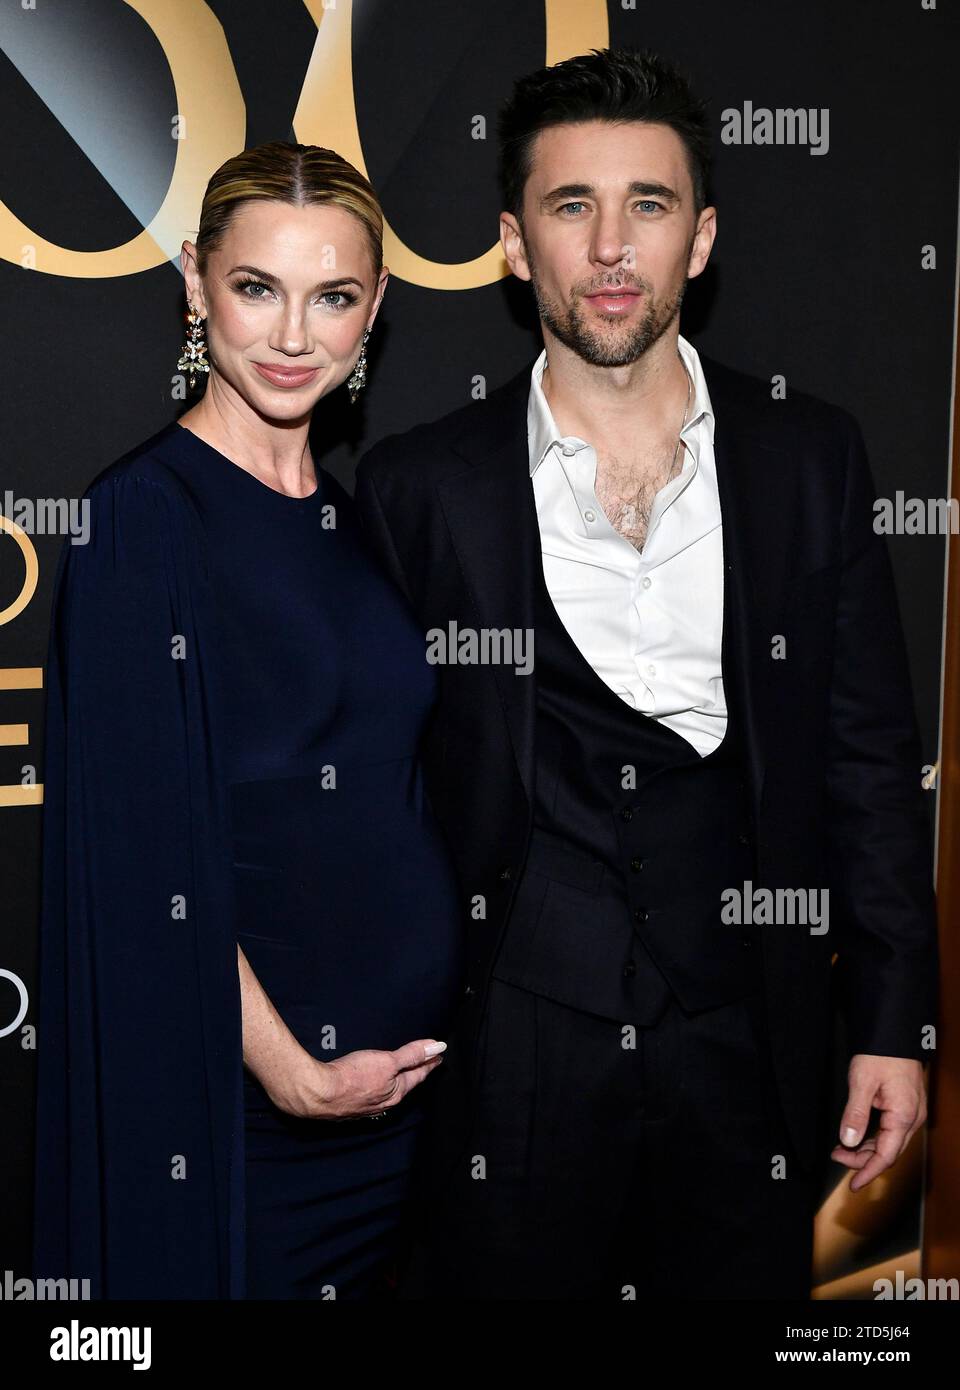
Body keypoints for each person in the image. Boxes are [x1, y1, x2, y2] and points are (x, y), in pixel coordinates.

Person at [354, 48, 940, 1300]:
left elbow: (872, 763)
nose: (612, 246)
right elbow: (363, 782)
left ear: (703, 237)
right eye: (573, 207)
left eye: (650, 205)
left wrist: (894, 1021)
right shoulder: (422, 485)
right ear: (516, 245)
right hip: (507, 1040)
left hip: (749, 1031)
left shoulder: (808, 457)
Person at [32, 140, 464, 1300]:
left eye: (332, 297)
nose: (291, 336)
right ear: (193, 281)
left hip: (405, 1109)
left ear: (375, 306)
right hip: (242, 1118)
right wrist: (290, 1072)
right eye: (255, 288)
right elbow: (137, 856)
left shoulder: (358, 521)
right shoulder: (143, 518)